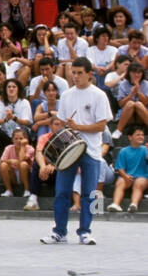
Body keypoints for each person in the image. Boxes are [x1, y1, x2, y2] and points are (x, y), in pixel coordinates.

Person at [40, 58, 113, 245]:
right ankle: (59, 231)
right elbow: (62, 122)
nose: (76, 76)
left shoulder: (99, 95)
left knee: (90, 193)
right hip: (69, 150)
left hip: (91, 151)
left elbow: (101, 125)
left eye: (80, 72)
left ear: (90, 73)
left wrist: (78, 126)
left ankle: (85, 231)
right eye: (74, 72)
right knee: (62, 191)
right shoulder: (66, 95)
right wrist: (67, 127)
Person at [107, 127, 148, 212]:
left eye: (142, 135)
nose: (141, 137)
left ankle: (134, 204)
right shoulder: (124, 151)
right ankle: (116, 204)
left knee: (139, 183)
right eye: (138, 135)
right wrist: (125, 176)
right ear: (130, 137)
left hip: (143, 177)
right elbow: (120, 168)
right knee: (120, 181)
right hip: (128, 176)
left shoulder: (145, 149)